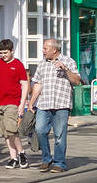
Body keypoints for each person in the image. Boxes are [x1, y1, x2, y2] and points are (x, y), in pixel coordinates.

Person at [28, 38, 81, 173]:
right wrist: (31, 102)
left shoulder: (69, 61)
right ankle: (46, 158)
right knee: (40, 130)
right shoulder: (42, 64)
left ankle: (59, 163)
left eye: (45, 48)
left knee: (59, 135)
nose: (43, 51)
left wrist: (66, 70)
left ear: (54, 50)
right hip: (44, 104)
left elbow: (77, 81)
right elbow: (38, 84)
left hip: (61, 104)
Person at [0, 39, 30, 170]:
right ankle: (13, 157)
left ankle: (21, 152)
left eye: (5, 52)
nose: (3, 55)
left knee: (12, 130)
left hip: (12, 102)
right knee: (5, 132)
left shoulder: (18, 65)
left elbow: (25, 84)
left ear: (12, 51)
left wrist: (22, 104)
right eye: (1, 53)